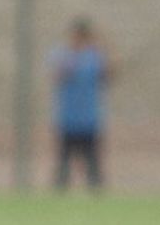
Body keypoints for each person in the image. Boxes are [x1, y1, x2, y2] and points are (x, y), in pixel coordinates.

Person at [50, 17, 112, 191]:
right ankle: (59, 192)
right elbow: (57, 75)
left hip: (89, 119)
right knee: (63, 162)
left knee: (92, 162)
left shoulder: (95, 57)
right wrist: (74, 57)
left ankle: (95, 192)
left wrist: (104, 46)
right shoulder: (63, 55)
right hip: (68, 119)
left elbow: (109, 74)